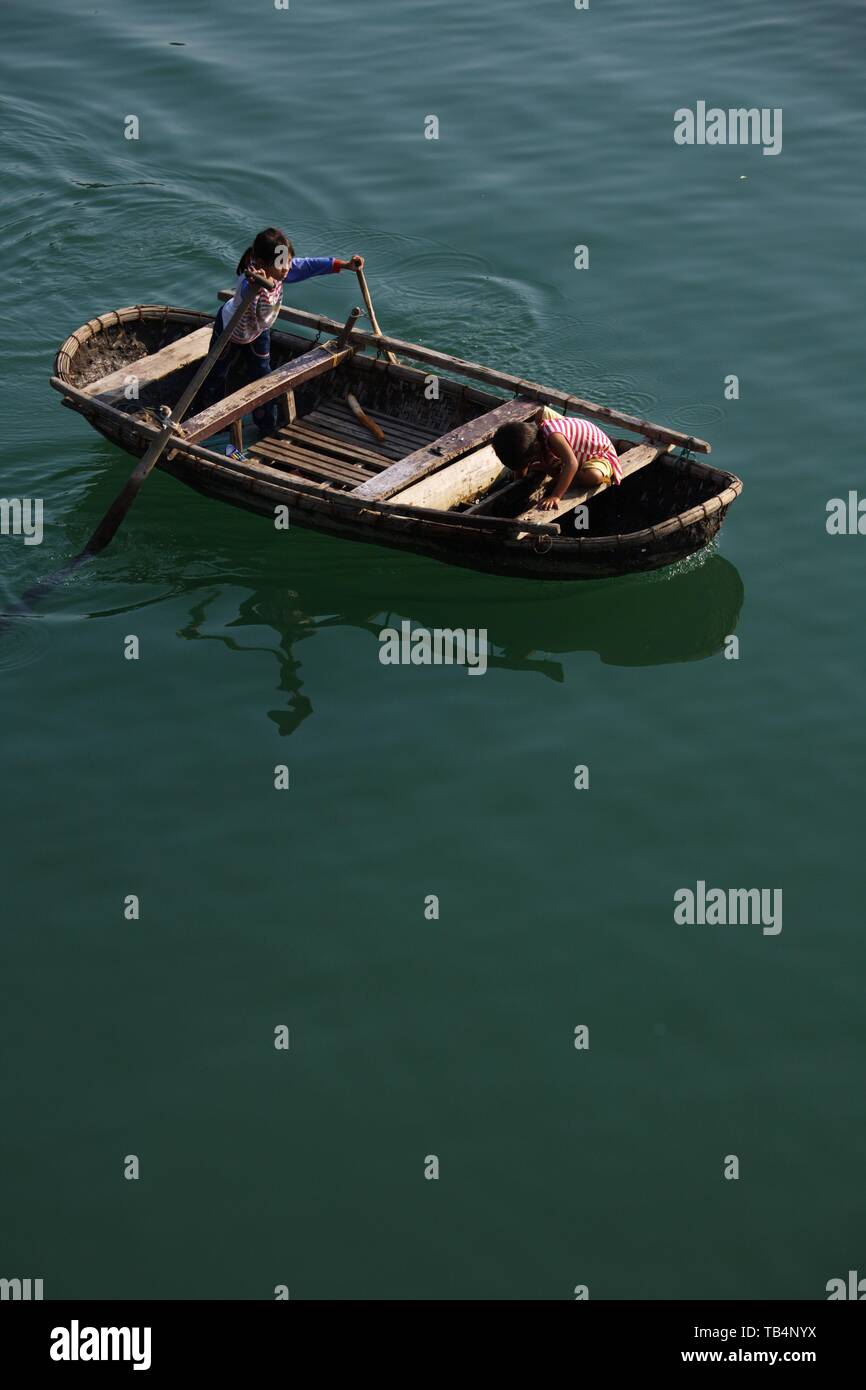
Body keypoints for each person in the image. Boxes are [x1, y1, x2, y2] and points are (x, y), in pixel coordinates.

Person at [208, 227, 364, 440]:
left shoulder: (281, 270)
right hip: (230, 331)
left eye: (289, 261)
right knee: (216, 374)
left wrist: (344, 265)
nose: (288, 268)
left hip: (258, 332)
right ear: (262, 263)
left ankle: (266, 426)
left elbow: (308, 266)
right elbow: (245, 291)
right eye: (283, 263)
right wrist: (256, 284)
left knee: (263, 377)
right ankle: (209, 420)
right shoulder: (251, 279)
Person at [491, 407, 621, 510]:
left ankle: (559, 475)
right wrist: (519, 482)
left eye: (529, 461)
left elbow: (572, 464)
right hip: (568, 437)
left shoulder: (553, 437)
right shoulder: (535, 435)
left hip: (598, 453)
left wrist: (555, 495)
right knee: (542, 413)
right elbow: (521, 461)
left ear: (536, 448)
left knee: (593, 476)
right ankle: (546, 466)